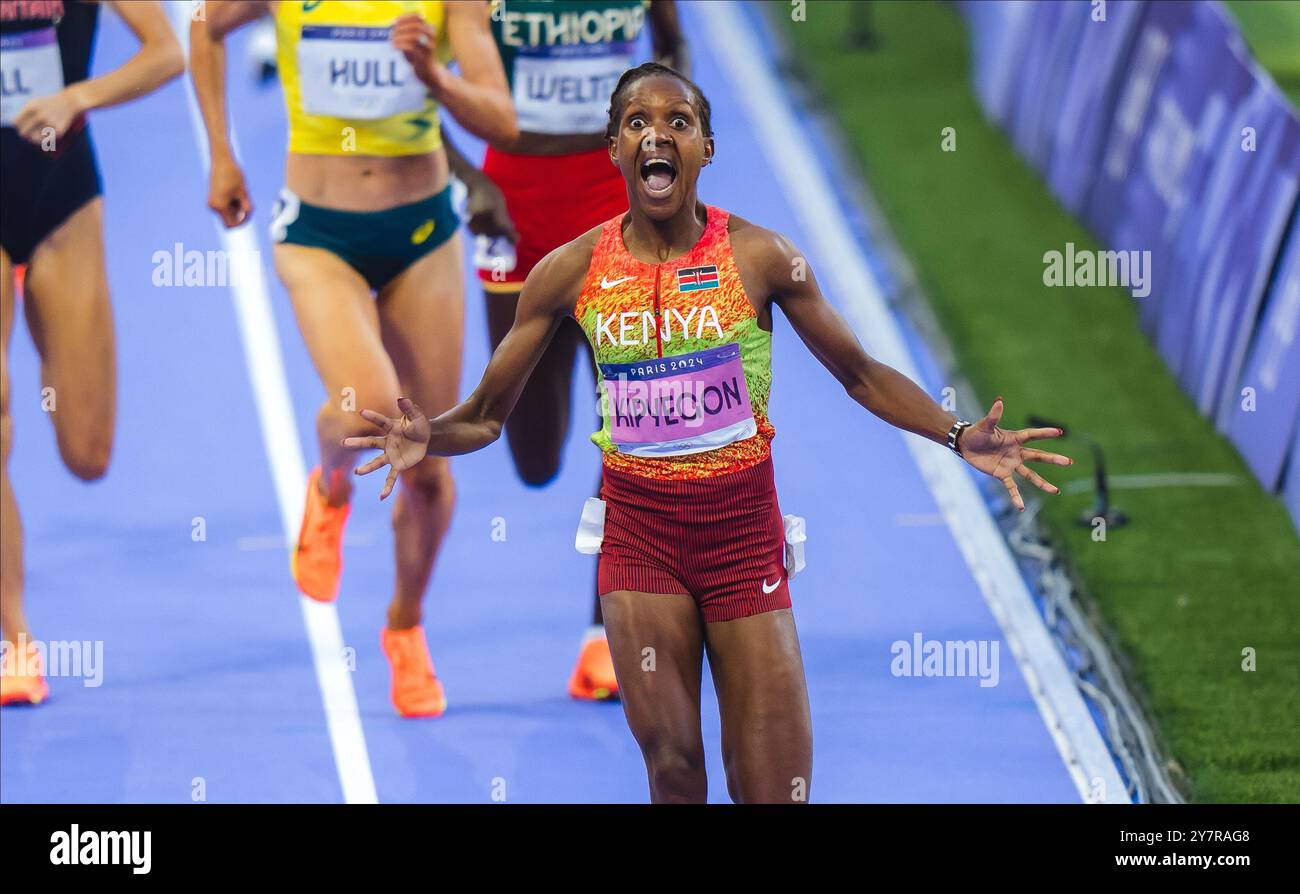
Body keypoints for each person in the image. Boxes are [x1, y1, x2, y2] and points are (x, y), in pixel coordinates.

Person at [342, 62, 1071, 802]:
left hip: (742, 542)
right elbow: (487, 415)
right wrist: (427, 435)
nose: (658, 134)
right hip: (640, 544)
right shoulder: (567, 272)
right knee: (674, 768)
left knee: (774, 788)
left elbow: (860, 374)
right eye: (637, 123)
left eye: (678, 122)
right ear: (615, 149)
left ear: (706, 149)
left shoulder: (760, 259)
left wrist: (955, 435)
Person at [193, 0, 516, 717]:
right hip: (318, 233)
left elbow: (502, 117)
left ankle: (404, 625)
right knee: (370, 410)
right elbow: (204, 26)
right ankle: (331, 492)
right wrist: (222, 152)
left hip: (423, 231)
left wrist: (436, 75)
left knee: (427, 461)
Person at [444, 0, 688, 701]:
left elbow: (673, 49)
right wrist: (470, 180)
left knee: (637, 431)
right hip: (513, 211)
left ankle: (603, 637)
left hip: (621, 208)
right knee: (535, 456)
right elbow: (412, 98)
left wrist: (672, 157)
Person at [0, 0, 184, 707]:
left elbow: (165, 51)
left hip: (61, 194)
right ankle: (16, 638)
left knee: (87, 451)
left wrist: (79, 96)